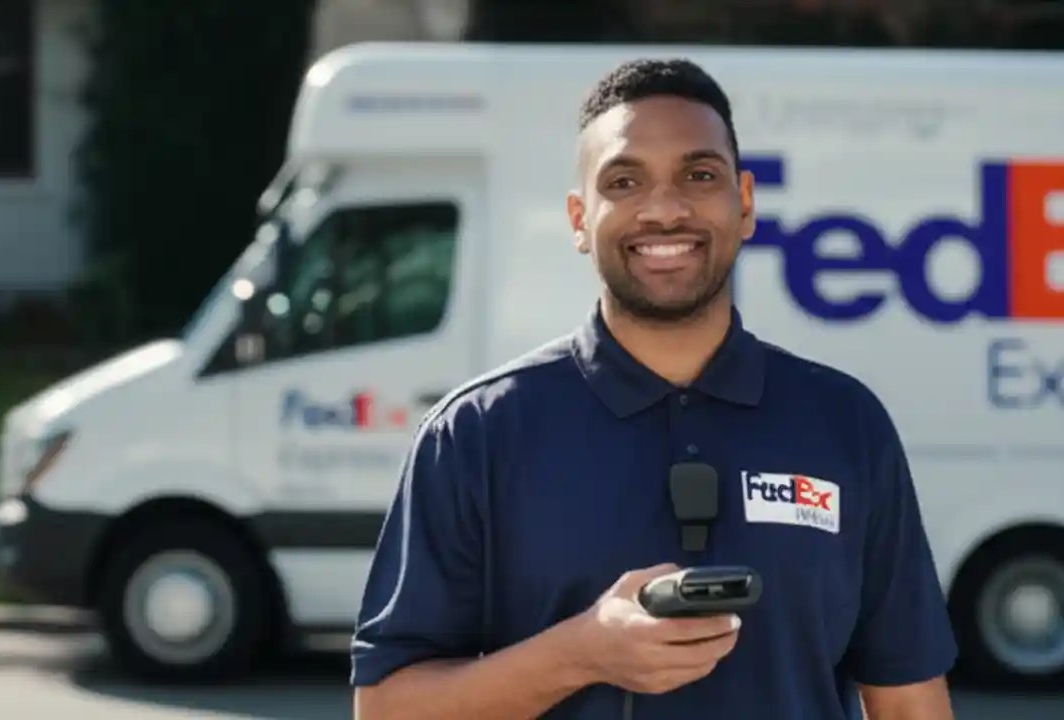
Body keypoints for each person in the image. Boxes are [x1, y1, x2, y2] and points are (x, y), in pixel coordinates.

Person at [351, 58, 958, 720]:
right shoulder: (476, 432)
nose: (665, 210)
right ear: (580, 219)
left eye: (699, 176)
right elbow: (385, 709)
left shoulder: (846, 423)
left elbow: (907, 701)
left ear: (746, 203)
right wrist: (581, 652)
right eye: (625, 181)